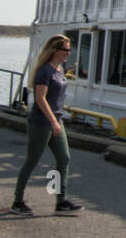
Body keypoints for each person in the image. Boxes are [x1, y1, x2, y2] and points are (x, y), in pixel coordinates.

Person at [12, 34, 81, 215]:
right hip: (41, 123)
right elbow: (40, 99)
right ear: (55, 50)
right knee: (32, 161)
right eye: (66, 49)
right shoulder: (44, 71)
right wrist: (53, 122)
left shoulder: (59, 69)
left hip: (56, 120)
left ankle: (60, 201)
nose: (69, 53)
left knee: (64, 159)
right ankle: (17, 201)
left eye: (69, 49)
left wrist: (58, 119)